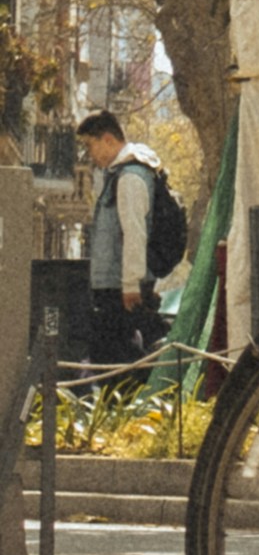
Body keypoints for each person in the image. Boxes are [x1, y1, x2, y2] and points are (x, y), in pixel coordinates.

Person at [70, 114, 176, 370]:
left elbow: (134, 232)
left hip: (121, 289)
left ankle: (130, 404)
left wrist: (131, 284)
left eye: (90, 145)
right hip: (116, 285)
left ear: (107, 140)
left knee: (115, 358)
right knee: (112, 356)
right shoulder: (121, 175)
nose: (90, 154)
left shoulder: (130, 177)